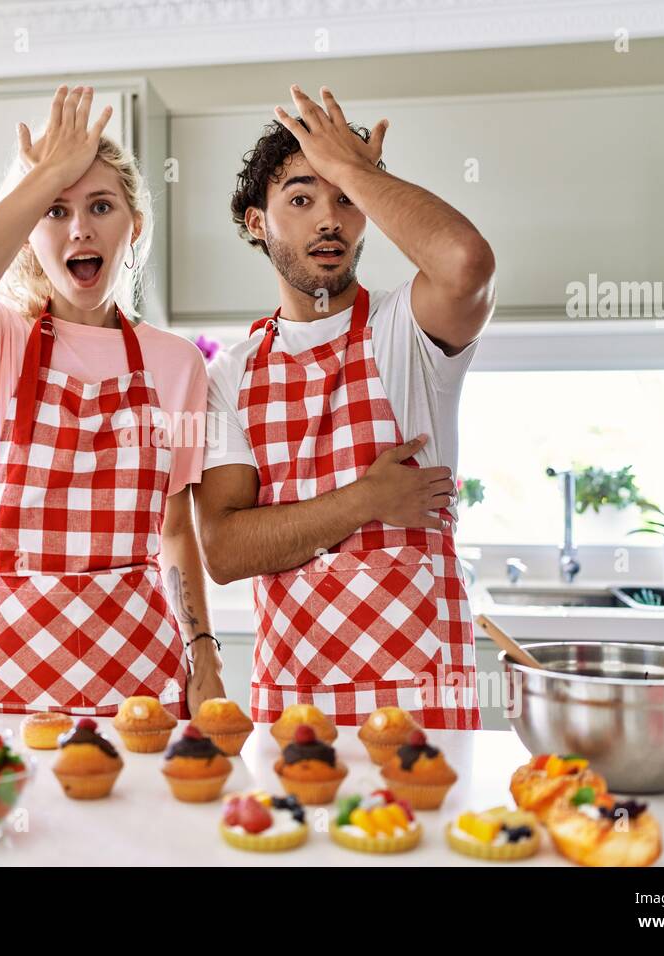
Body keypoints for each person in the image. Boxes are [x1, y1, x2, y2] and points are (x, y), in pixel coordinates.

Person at [195, 85, 495, 728]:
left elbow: (466, 263)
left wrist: (356, 169)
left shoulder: (405, 330)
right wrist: (368, 499)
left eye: (344, 199)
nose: (327, 219)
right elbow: (223, 550)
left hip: (425, 714)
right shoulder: (230, 374)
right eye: (300, 198)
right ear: (257, 223)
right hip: (298, 715)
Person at [0, 85, 224, 718]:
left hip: (139, 674)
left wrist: (205, 657)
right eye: (55, 212)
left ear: (134, 226)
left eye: (100, 206)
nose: (80, 227)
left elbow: (175, 530)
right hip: (2, 676)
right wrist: (46, 175)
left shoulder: (177, 364)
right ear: (28, 233)